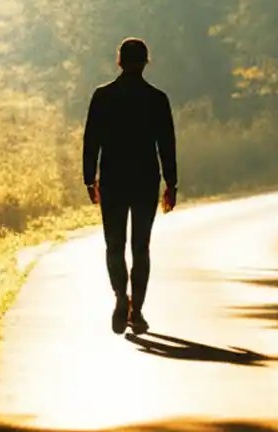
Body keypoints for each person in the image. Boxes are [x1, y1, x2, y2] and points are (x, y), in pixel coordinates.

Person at [83, 37, 178, 335]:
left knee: (114, 244)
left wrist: (89, 178)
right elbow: (167, 145)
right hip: (145, 180)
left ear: (119, 61)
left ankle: (119, 298)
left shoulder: (102, 96)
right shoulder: (157, 99)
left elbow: (91, 141)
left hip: (112, 180)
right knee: (141, 246)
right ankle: (136, 310)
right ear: (146, 62)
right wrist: (171, 183)